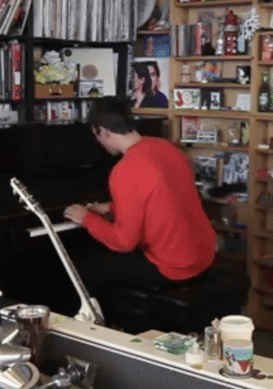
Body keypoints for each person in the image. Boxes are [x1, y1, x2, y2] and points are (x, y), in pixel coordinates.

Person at [64, 97, 216, 297]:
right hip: (204, 255)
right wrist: (111, 208)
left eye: (96, 136)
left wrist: (86, 218)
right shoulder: (166, 147)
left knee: (82, 266)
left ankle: (108, 326)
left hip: (173, 267)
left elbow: (123, 242)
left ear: (103, 131)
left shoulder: (125, 170)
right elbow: (159, 202)